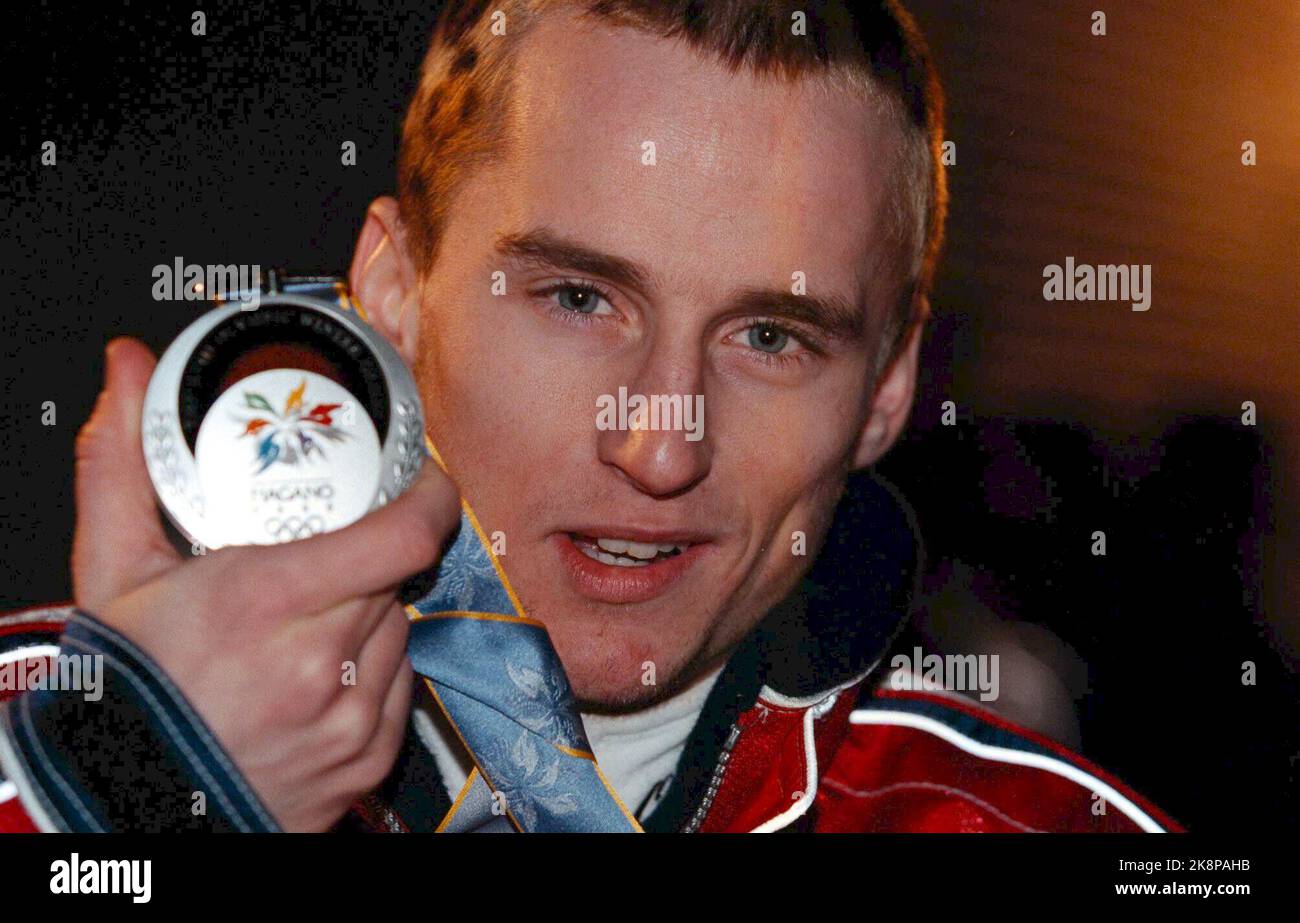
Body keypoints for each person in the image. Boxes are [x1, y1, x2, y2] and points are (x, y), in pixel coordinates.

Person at [0, 0, 1179, 833]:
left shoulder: (1034, 824)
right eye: (577, 297)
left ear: (885, 388)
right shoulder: (37, 746)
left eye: (770, 336)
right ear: (396, 292)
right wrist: (121, 811)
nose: (660, 445)